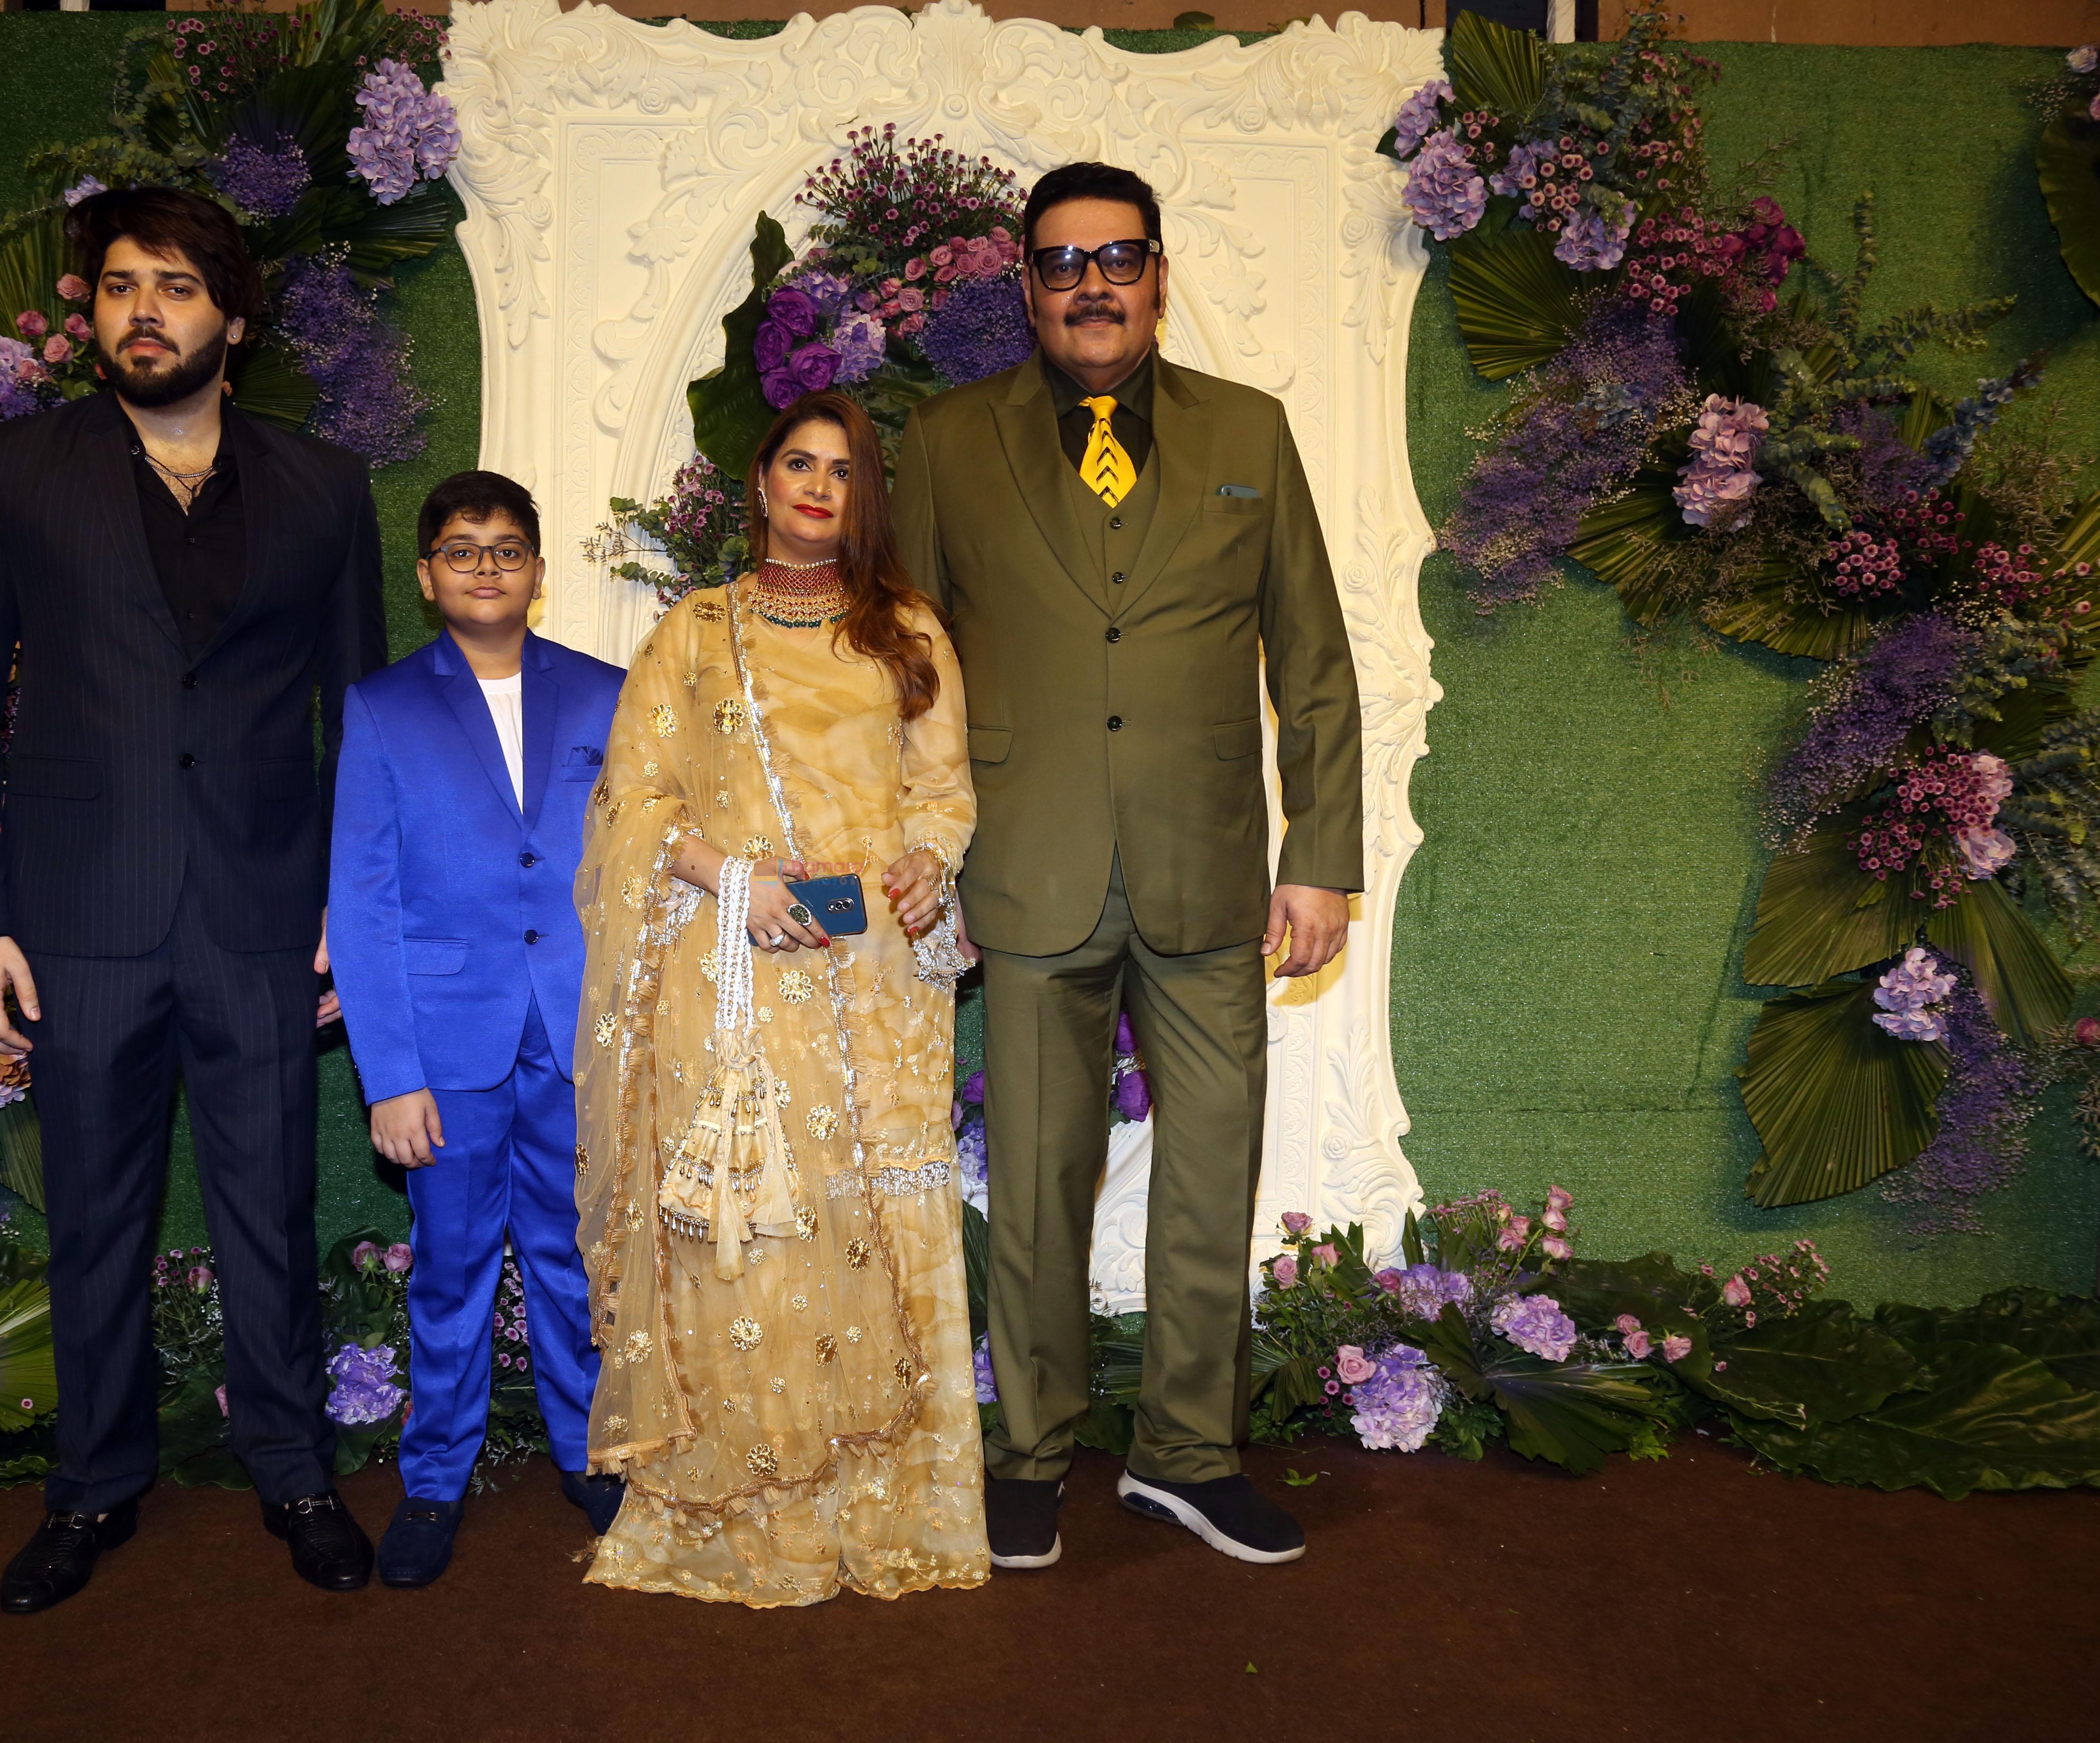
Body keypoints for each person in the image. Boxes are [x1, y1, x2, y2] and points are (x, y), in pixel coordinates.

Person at [891, 162, 1364, 1570]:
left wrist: (1321, 857)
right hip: (1025, 869)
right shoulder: (948, 440)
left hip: (1210, 871)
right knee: (1039, 1185)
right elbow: (903, 669)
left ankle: (1189, 1457)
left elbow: (1314, 659)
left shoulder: (1250, 430)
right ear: (1027, 287)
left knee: (1211, 1176)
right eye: (1061, 263)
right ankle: (1031, 1456)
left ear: (1159, 274)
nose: (1091, 285)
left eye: (1117, 258)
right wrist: (920, 851)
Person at [0, 185, 387, 1612]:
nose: (144, 310)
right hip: (79, 917)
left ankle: (294, 1473)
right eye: (122, 285)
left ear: (231, 322)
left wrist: (352, 904)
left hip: (263, 913)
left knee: (270, 1211)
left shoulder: (325, 486)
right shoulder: (17, 471)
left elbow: (362, 719)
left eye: (178, 287)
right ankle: (93, 1487)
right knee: (96, 1220)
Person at [574, 392, 986, 1605]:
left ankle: (894, 1510)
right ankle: (760, 1524)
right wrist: (736, 881)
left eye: (843, 471)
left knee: (883, 1211)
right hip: (739, 972)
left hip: (878, 983)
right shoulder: (696, 632)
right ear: (759, 483)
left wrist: (932, 861)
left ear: (866, 497)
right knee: (758, 1226)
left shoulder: (907, 628)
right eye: (798, 463)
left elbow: (943, 792)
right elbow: (635, 799)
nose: (817, 486)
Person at [324, 471, 628, 1586]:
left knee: (570, 1257)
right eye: (462, 549)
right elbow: (363, 900)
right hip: (445, 1047)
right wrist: (390, 1075)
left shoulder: (608, 693)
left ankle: (588, 1454)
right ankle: (435, 1479)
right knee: (451, 1270)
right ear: (427, 576)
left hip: (578, 1034)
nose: (486, 567)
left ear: (539, 570)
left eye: (506, 549)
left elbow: (645, 865)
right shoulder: (383, 708)